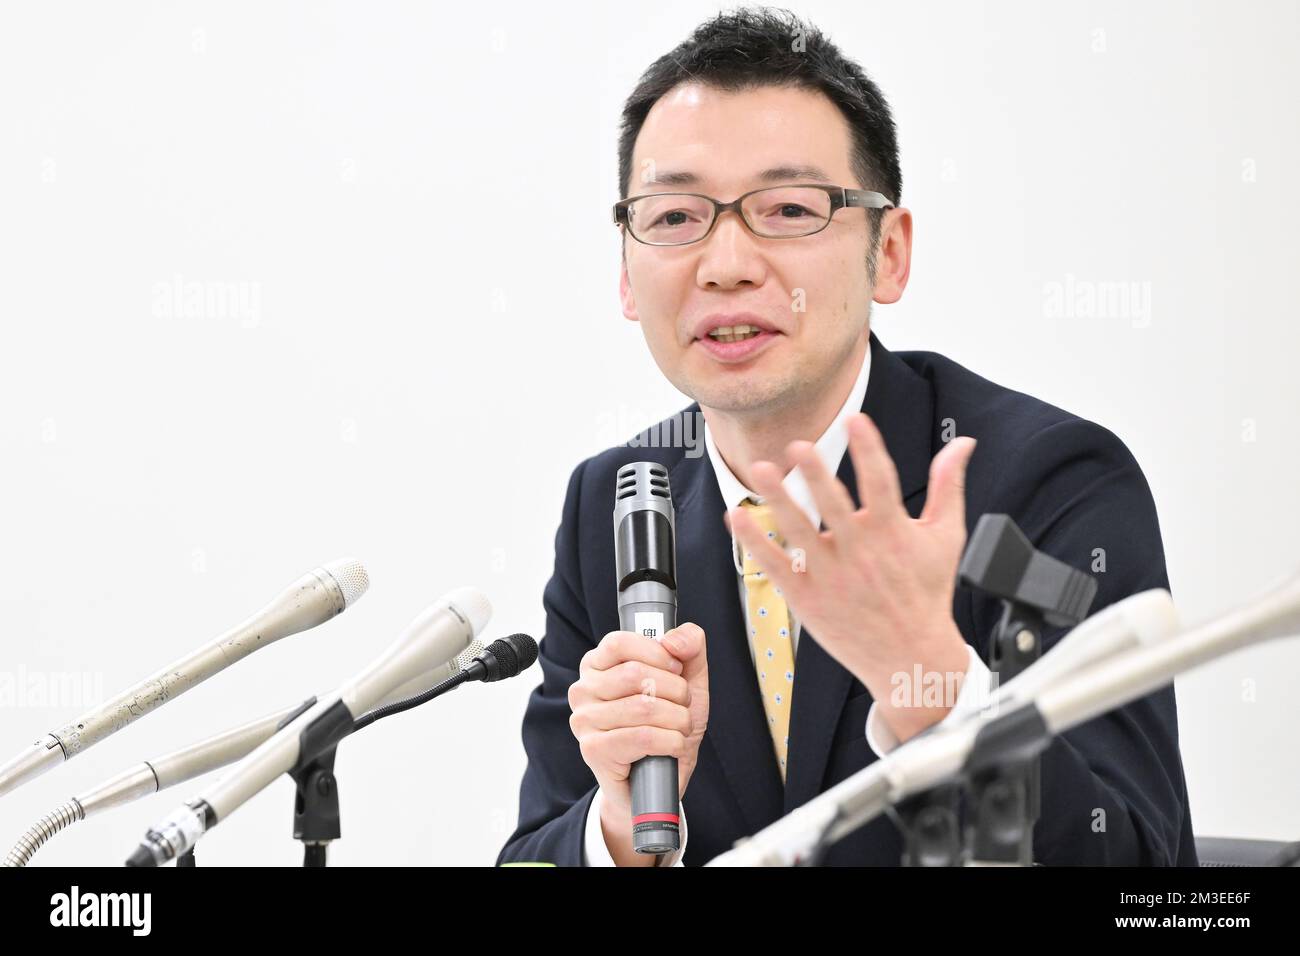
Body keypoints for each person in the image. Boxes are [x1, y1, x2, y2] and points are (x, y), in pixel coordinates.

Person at [497, 7, 1196, 866]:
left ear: (890, 253)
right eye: (676, 217)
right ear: (626, 273)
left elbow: (1150, 884)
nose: (725, 263)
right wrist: (616, 826)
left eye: (788, 209)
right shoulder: (614, 502)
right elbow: (534, 850)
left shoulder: (1051, 483)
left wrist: (934, 688)